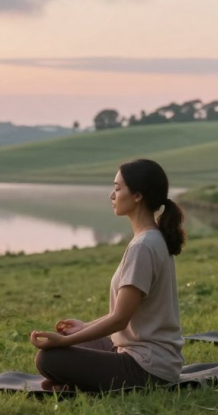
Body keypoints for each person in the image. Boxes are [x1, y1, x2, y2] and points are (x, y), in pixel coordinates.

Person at [29, 159, 185, 391]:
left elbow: (120, 319)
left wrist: (65, 341)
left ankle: (75, 382)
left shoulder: (143, 246)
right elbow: (123, 316)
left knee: (48, 359)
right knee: (84, 340)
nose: (112, 195)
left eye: (118, 188)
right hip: (148, 357)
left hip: (147, 369)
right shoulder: (153, 238)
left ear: (137, 196)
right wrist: (84, 328)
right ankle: (75, 381)